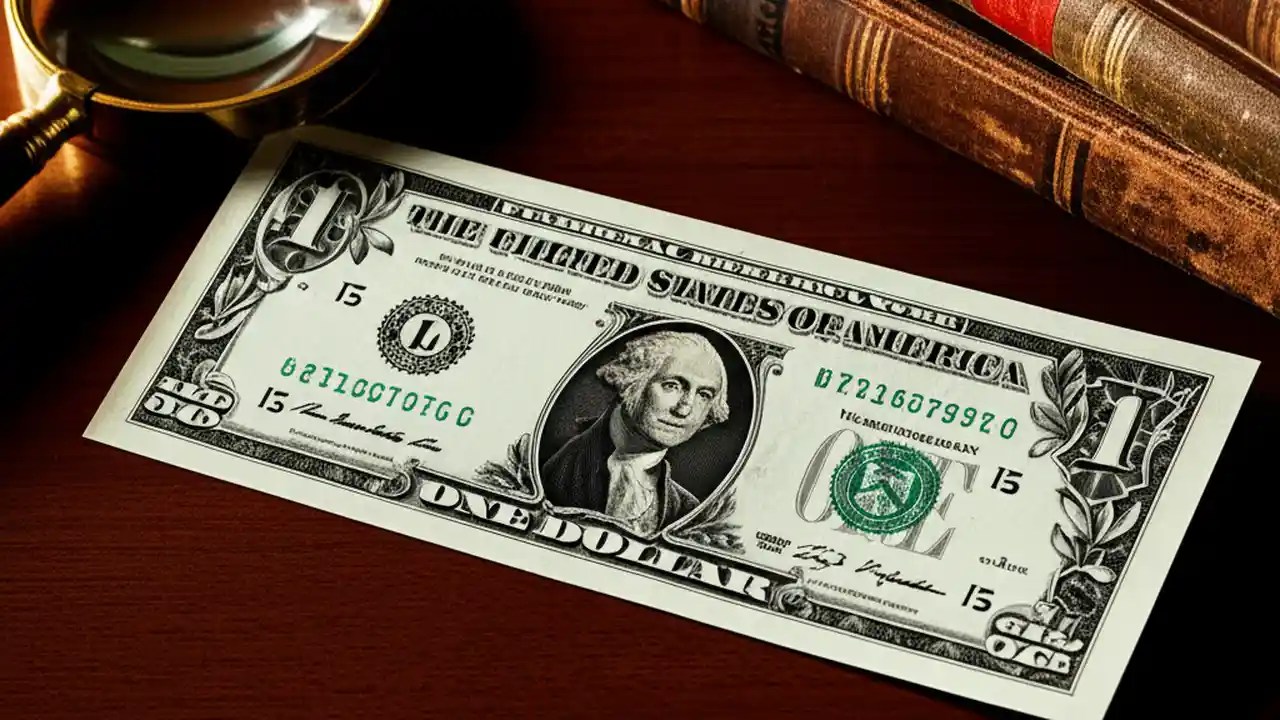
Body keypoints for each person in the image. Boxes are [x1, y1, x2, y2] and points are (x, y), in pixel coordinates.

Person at [539, 330, 731, 535]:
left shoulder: (687, 509)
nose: (684, 409)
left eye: (703, 395)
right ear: (632, 382)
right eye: (671, 386)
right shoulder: (549, 458)